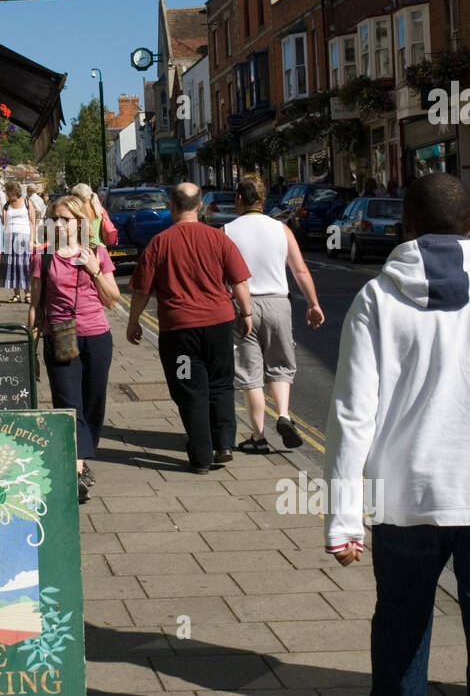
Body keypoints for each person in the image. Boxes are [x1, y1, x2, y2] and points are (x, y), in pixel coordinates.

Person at [323, 173, 470, 696]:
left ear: (405, 224)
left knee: (403, 620)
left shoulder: (377, 299)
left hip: (406, 498)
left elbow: (352, 417)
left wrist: (343, 519)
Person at [127, 183, 253, 473]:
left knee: (190, 389)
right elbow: (239, 283)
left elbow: (141, 291)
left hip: (180, 335)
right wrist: (245, 313)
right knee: (221, 383)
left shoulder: (159, 243)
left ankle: (201, 456)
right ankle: (224, 445)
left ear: (171, 206)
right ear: (199, 207)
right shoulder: (219, 239)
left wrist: (134, 322)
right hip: (219, 326)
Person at [29, 195, 120, 503]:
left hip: (96, 336)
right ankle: (77, 470)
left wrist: (95, 269)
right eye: (54, 219)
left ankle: (82, 460)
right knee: (68, 406)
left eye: (65, 219)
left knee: (93, 406)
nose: (58, 224)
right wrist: (31, 349)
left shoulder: (97, 253)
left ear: (79, 222)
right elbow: (35, 306)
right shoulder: (42, 257)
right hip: (59, 336)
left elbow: (113, 299)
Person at [225, 175, 325, 453]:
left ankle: (258, 437)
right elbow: (300, 270)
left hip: (243, 306)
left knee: (250, 374)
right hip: (279, 302)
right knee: (280, 364)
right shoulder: (281, 229)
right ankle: (283, 415)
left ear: (239, 200)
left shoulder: (227, 230)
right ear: (263, 200)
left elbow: (223, 277)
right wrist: (313, 304)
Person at [0, 180, 35, 303]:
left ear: (14, 191)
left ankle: (28, 293)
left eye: (8, 192)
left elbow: (32, 223)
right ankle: (16, 294)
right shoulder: (6, 205)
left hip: (23, 238)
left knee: (24, 267)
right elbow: (4, 222)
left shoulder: (27, 203)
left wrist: (32, 240)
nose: (7, 195)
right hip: (9, 238)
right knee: (12, 267)